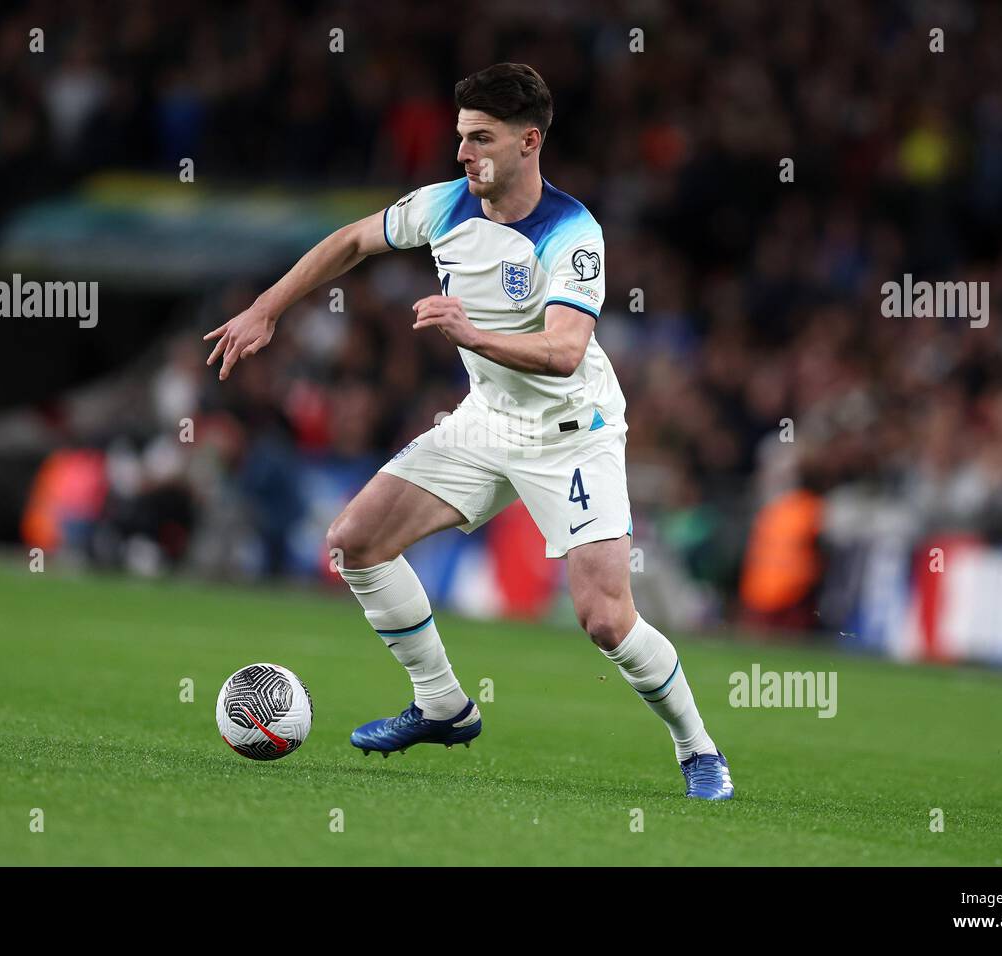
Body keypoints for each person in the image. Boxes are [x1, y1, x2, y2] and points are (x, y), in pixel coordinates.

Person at [204, 63, 732, 799]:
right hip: (486, 422)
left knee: (607, 621)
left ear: (528, 140)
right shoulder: (444, 206)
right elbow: (353, 242)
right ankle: (444, 705)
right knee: (355, 541)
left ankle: (698, 749)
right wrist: (269, 306)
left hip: (573, 432)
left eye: (479, 138)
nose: (462, 153)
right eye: (460, 137)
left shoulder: (572, 233)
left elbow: (565, 351)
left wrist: (471, 333)